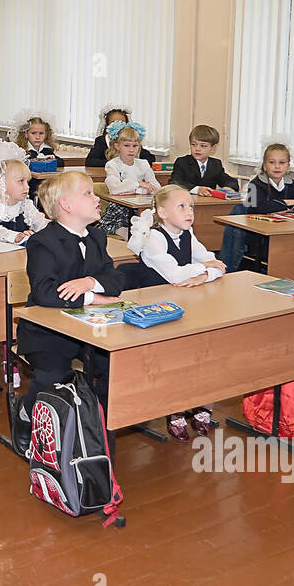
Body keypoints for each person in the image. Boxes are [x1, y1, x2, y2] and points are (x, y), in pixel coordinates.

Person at [12, 171, 123, 456]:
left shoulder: (97, 236)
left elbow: (116, 280)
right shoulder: (42, 242)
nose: (97, 198)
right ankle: (26, 413)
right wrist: (93, 297)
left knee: (119, 367)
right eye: (88, 193)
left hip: (90, 329)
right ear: (66, 205)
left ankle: (90, 421)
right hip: (46, 331)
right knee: (54, 374)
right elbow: (46, 293)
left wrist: (89, 283)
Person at [125, 185, 225, 439]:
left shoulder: (189, 233)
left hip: (187, 301)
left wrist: (205, 276)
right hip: (158, 309)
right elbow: (174, 275)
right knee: (175, 358)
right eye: (181, 206)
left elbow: (218, 264)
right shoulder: (154, 238)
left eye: (190, 206)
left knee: (203, 351)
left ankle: (202, 404)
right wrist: (204, 268)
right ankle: (175, 410)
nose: (189, 211)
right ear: (162, 212)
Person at [218, 142, 294, 272]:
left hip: (280, 232)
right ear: (264, 166)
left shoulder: (291, 184)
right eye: (272, 162)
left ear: (288, 166)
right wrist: (286, 203)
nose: (277, 166)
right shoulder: (255, 185)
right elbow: (260, 208)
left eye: (282, 162)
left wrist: (281, 206)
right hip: (256, 237)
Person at [0, 139, 47, 244]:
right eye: (21, 181)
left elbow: (42, 224)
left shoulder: (26, 206)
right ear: (2, 183)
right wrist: (16, 236)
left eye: (27, 182)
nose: (27, 187)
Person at [98, 121, 157, 237]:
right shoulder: (112, 165)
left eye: (135, 146)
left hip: (141, 207)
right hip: (120, 209)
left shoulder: (144, 164)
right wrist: (139, 184)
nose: (131, 150)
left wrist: (134, 189)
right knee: (127, 229)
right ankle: (125, 234)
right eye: (126, 145)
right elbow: (114, 189)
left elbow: (156, 187)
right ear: (117, 146)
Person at [170, 124, 240, 193]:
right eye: (193, 144)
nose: (197, 149)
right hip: (188, 201)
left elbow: (230, 181)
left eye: (203, 146)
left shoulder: (216, 164)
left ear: (213, 148)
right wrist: (197, 189)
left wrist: (228, 187)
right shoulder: (182, 162)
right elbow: (175, 182)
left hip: (208, 202)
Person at [84, 105, 155, 167]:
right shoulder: (102, 140)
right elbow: (90, 161)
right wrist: (116, 163)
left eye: (121, 122)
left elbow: (150, 158)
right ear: (107, 125)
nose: (118, 125)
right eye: (113, 122)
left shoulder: (131, 139)